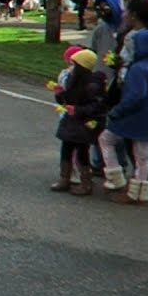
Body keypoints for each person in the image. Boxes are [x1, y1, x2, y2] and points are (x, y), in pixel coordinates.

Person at [100, 29, 148, 205]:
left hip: (135, 115)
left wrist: (118, 111)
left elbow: (136, 96)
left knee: (106, 139)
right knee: (142, 155)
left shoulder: (138, 68)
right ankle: (139, 192)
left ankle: (115, 179)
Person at [48, 47, 107, 195]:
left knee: (82, 152)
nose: (71, 68)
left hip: (83, 123)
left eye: (74, 65)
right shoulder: (72, 80)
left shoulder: (93, 85)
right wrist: (60, 94)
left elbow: (96, 106)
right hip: (71, 121)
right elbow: (66, 100)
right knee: (66, 149)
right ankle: (65, 178)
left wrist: (78, 110)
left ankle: (86, 182)